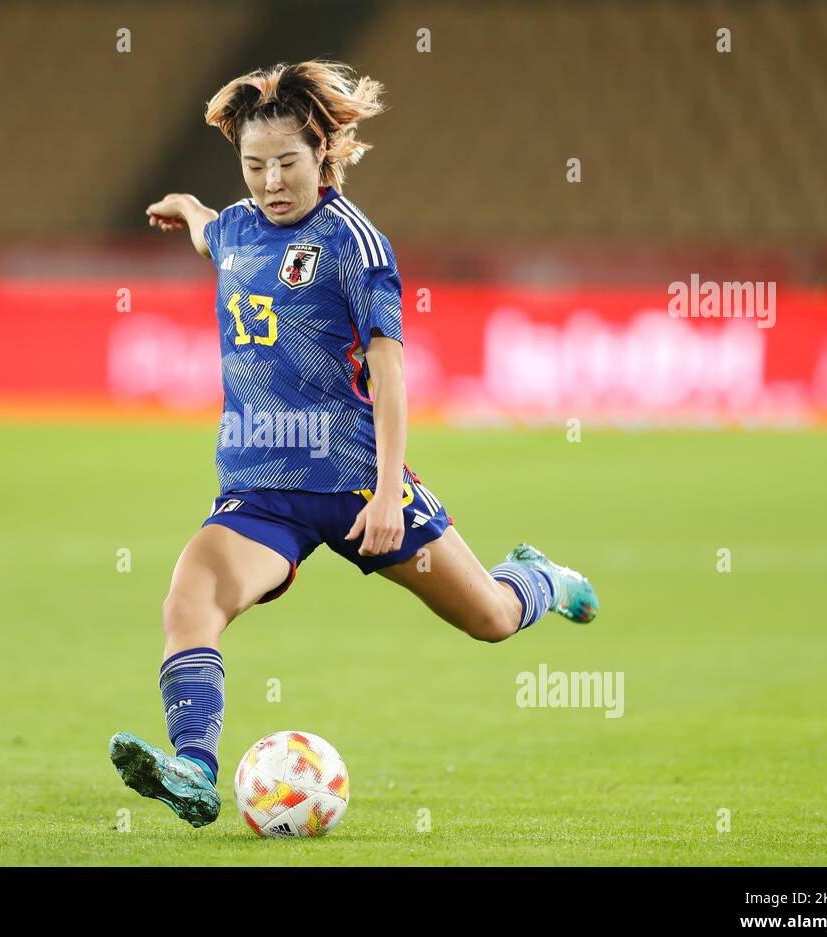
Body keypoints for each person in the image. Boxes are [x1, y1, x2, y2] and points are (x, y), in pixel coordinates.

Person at [110, 61, 598, 827]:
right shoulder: (236, 228)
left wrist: (387, 492)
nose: (271, 182)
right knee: (189, 600)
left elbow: (390, 373)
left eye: (287, 164)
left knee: (491, 619)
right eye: (254, 166)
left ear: (324, 154)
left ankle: (541, 579)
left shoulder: (353, 244)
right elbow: (216, 234)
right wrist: (192, 208)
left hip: (356, 484)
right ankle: (194, 769)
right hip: (261, 489)